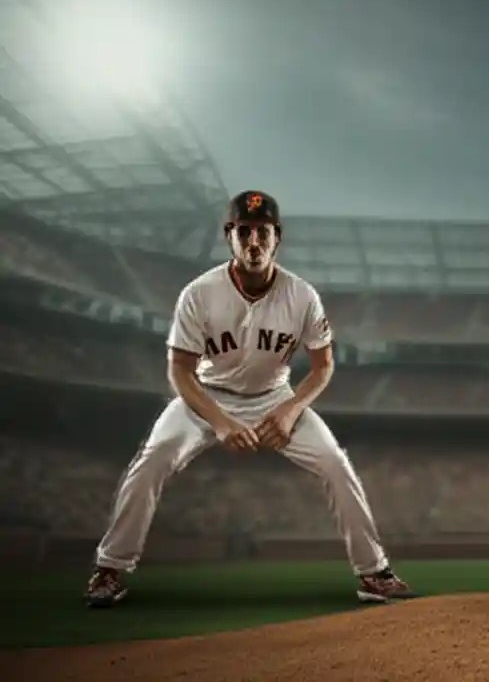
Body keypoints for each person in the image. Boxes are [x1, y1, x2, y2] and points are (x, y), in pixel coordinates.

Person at [83, 190, 417, 608]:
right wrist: (220, 422)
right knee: (154, 457)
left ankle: (374, 572)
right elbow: (180, 371)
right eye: (244, 231)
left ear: (278, 237)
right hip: (206, 397)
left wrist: (290, 409)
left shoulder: (301, 295)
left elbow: (324, 365)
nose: (254, 241)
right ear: (230, 235)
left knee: (335, 463)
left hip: (274, 397)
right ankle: (110, 568)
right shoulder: (199, 293)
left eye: (263, 232)